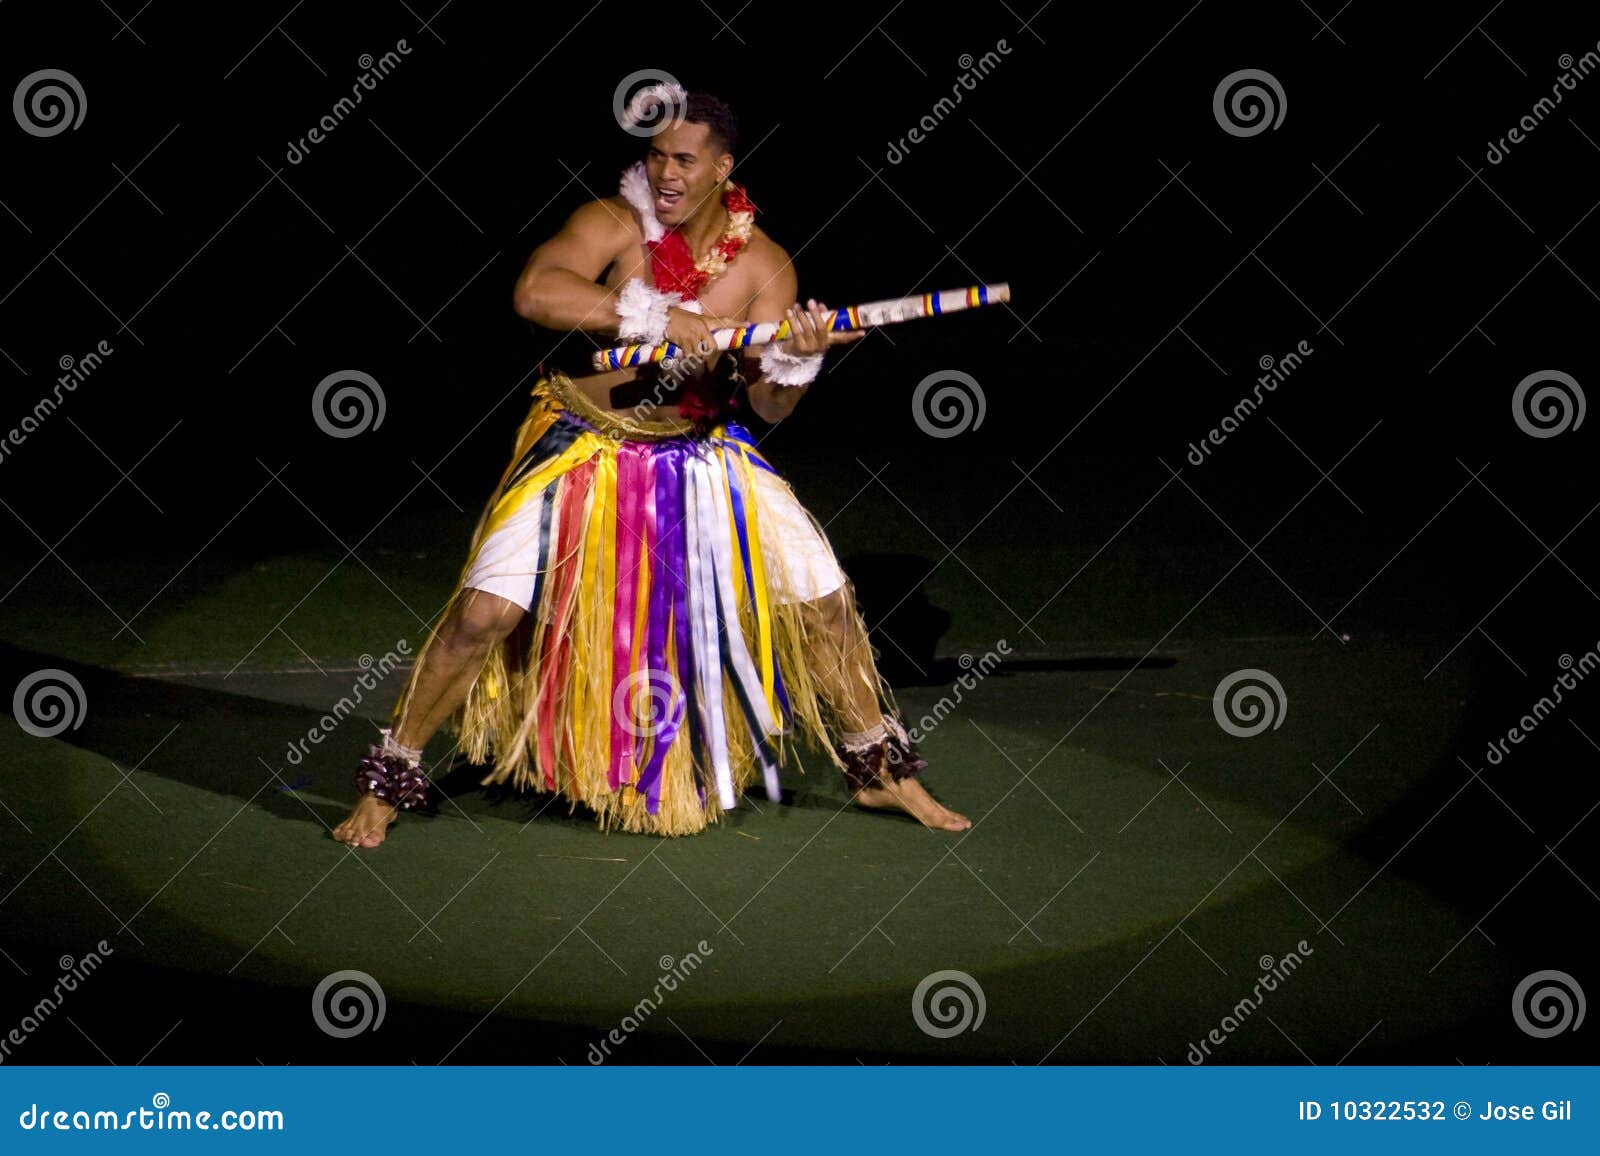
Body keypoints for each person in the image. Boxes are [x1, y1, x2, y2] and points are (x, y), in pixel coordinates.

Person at [332, 87, 969, 847]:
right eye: (656, 155)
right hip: (582, 444)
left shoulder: (765, 267)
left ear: (722, 168)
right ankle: (388, 777)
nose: (666, 172)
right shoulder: (613, 224)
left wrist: (795, 363)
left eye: (684, 159)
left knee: (822, 599)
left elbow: (764, 413)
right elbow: (536, 291)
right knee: (482, 615)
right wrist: (657, 314)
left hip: (704, 455)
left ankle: (883, 775)